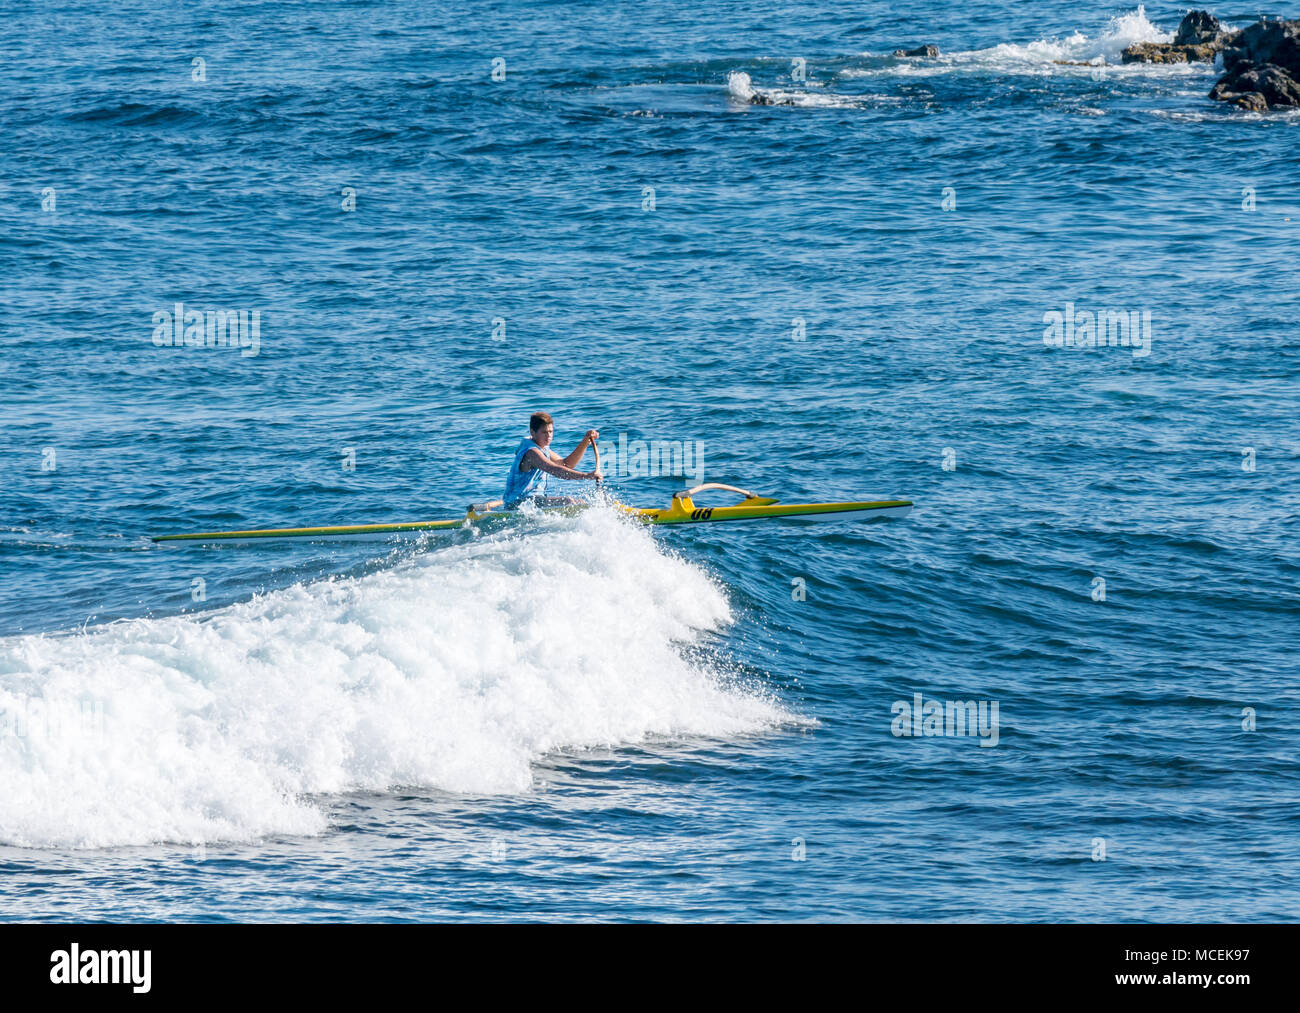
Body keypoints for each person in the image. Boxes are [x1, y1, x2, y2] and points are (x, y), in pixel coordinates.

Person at [503, 412, 602, 508]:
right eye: (544, 432)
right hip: (517, 504)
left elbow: (566, 464)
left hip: (532, 501)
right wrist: (586, 476)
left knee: (580, 502)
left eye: (550, 431)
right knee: (569, 501)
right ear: (532, 432)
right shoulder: (531, 452)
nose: (549, 436)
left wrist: (585, 441)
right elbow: (555, 470)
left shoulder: (542, 447)